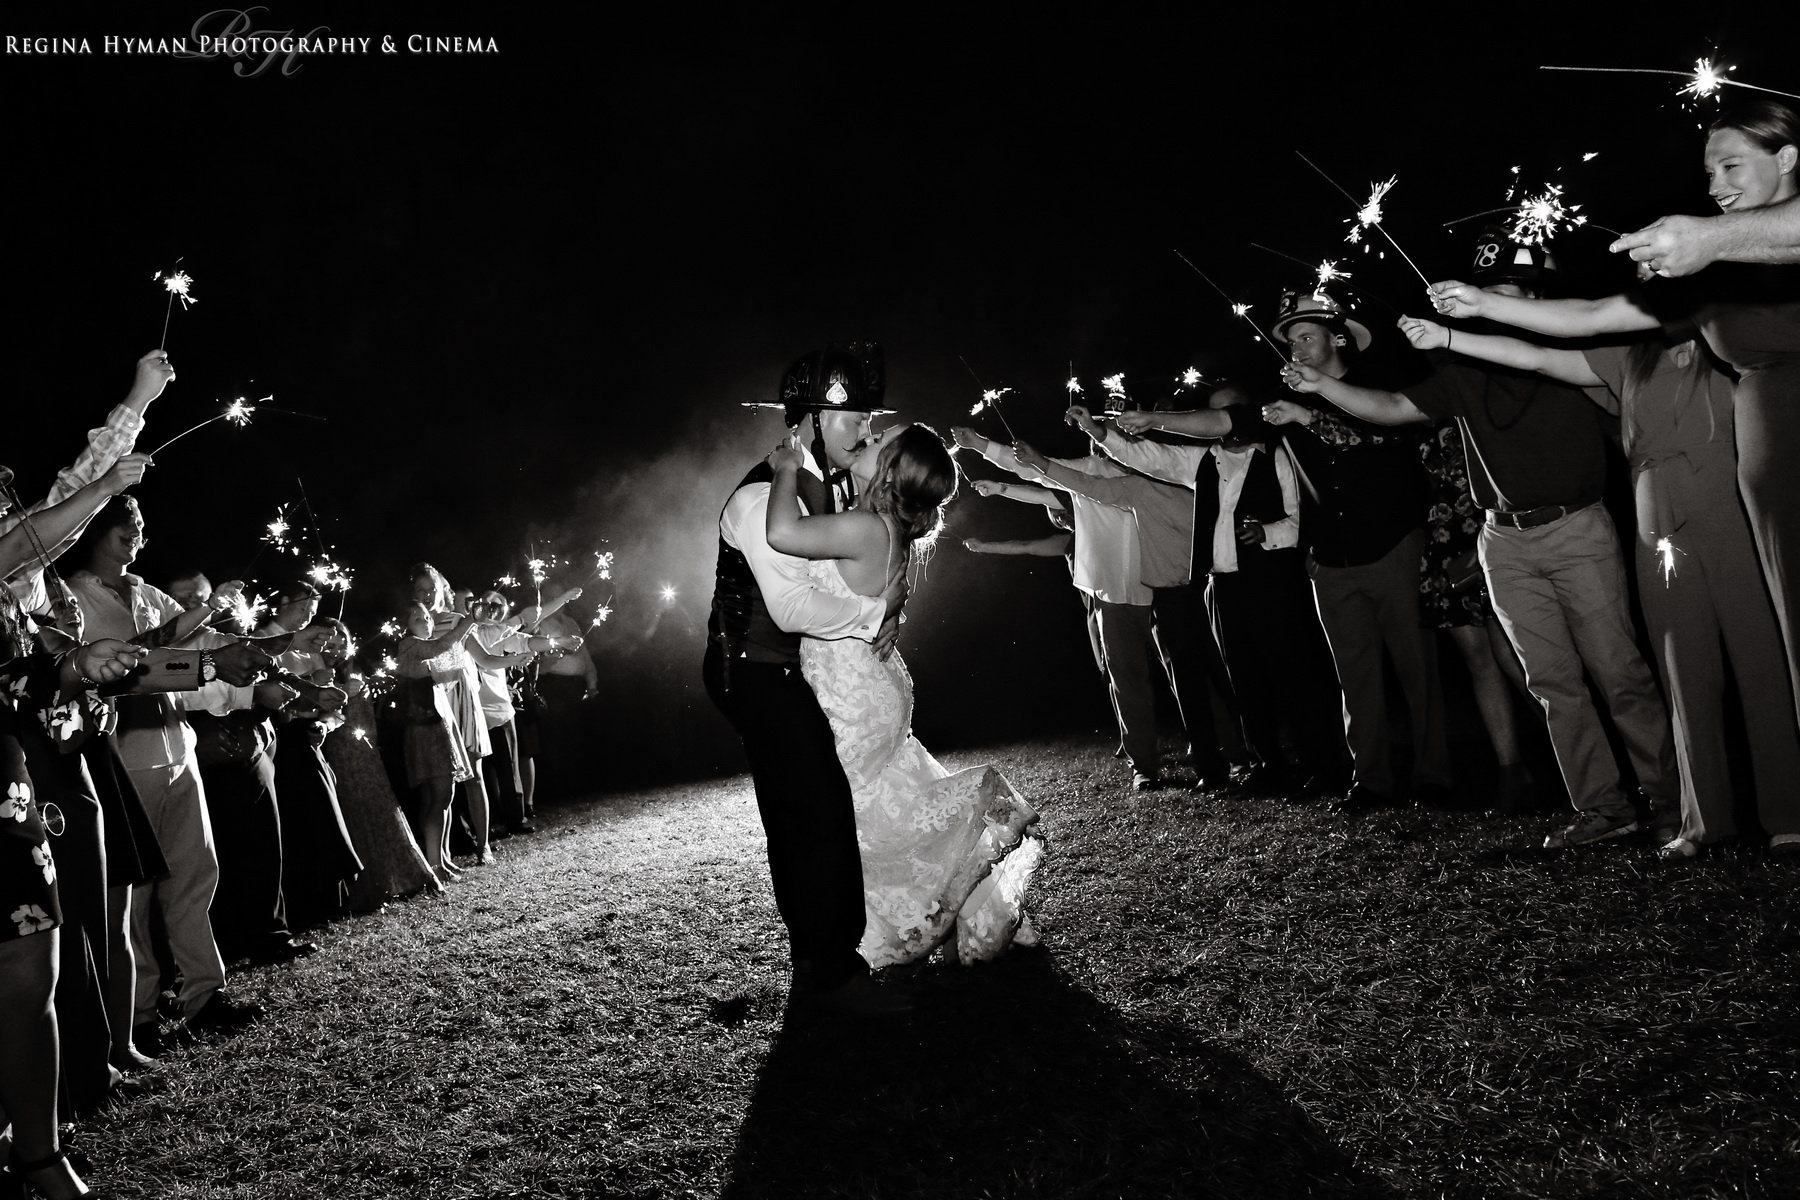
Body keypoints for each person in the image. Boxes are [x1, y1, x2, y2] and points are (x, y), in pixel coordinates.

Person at [1283, 231, 1680, 850]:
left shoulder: (1573, 357)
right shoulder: (1463, 373)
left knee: (1619, 671)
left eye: (1502, 296)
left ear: (1535, 302)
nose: (1485, 304)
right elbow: (1390, 405)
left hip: (1577, 527)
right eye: (1481, 295)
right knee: (1550, 682)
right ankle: (1602, 807)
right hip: (1504, 540)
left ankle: (1668, 800)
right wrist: (1321, 388)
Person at [1430, 101, 1800, 738]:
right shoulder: (1704, 274)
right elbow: (1586, 321)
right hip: (1764, 445)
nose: (1715, 188)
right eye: (1707, 174)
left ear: (1788, 157)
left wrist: (1706, 237)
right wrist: (1480, 302)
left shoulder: (1720, 242)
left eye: (1730, 166)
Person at [1393, 313, 1800, 859]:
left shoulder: (1738, 342)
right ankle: (1700, 820)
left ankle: (1786, 814)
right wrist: (1449, 333)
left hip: (1732, 500)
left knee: (1759, 658)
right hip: (1655, 513)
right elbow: (1536, 355)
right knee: (1682, 667)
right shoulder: (1627, 354)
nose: (1649, 270)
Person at [765, 421, 1041, 966]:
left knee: (864, 818)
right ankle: (971, 909)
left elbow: (782, 533)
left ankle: (913, 918)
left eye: (874, 444)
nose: (862, 443)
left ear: (889, 470)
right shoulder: (885, 526)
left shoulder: (867, 528)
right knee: (889, 799)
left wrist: (786, 468)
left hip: (854, 695)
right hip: (871, 683)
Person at [703, 342, 910, 1015]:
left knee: (803, 809)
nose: (866, 430)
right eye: (852, 419)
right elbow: (791, 607)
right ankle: (832, 972)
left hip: (781, 666)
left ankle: (818, 966)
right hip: (750, 671)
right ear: (807, 422)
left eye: (868, 419)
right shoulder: (762, 495)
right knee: (814, 805)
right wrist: (870, 612)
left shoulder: (829, 483)